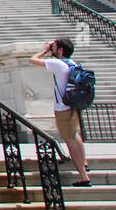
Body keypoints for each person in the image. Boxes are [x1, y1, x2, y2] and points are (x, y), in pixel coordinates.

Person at [30, 37, 92, 186]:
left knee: (70, 142)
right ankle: (84, 163)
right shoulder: (74, 63)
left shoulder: (58, 64)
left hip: (62, 108)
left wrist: (44, 51)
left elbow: (32, 60)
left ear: (61, 50)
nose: (53, 49)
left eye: (55, 46)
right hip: (73, 104)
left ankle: (84, 177)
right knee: (76, 136)